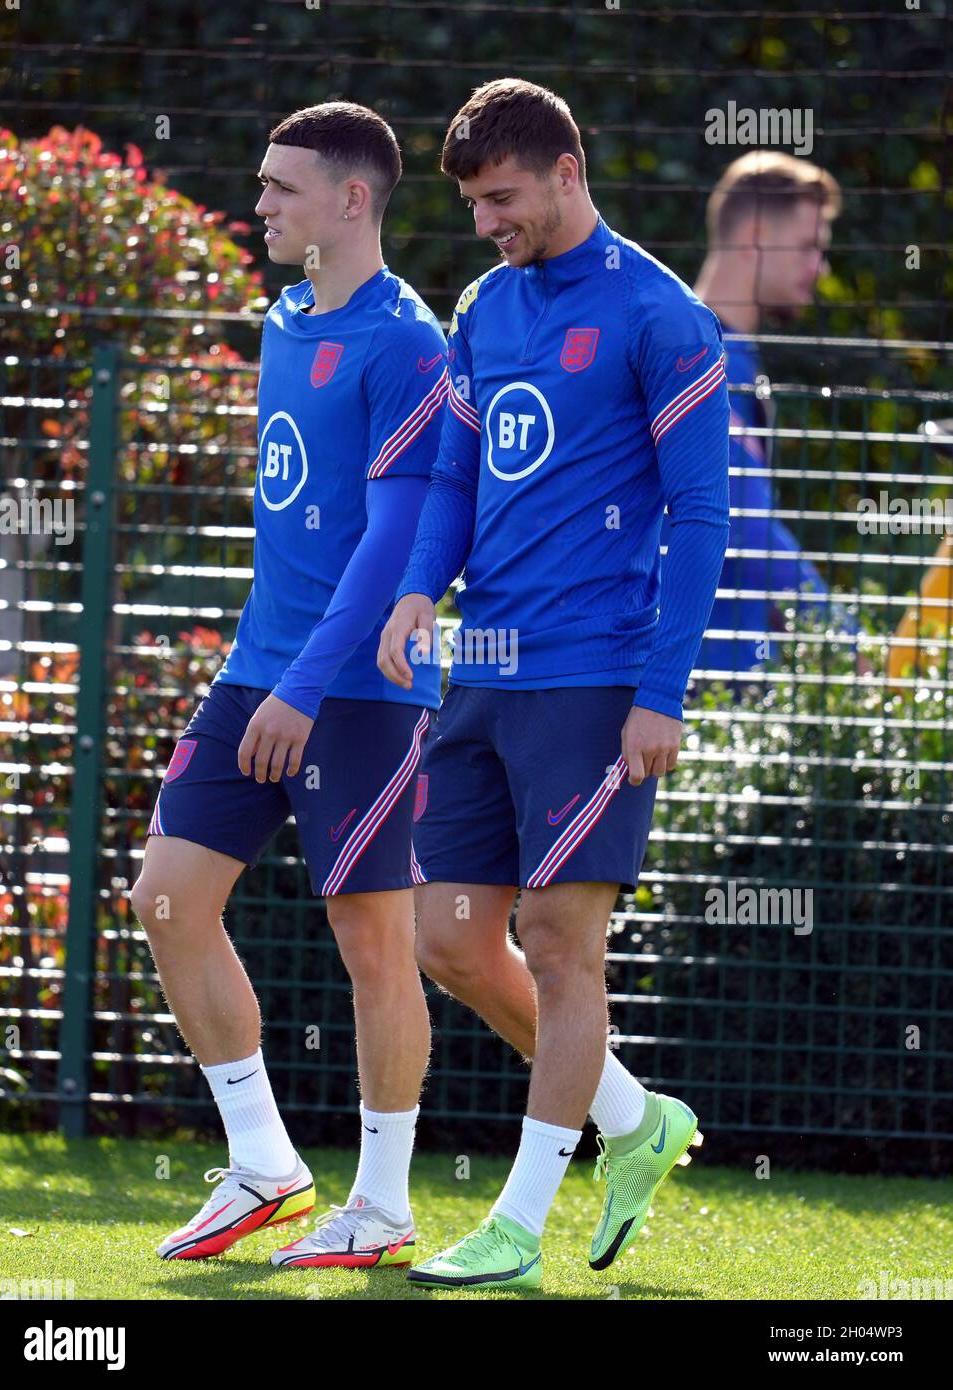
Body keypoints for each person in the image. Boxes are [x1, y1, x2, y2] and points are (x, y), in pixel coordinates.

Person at [377, 78, 729, 1290]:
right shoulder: (482, 307)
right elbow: (453, 483)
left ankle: (519, 1226)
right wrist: (422, 588)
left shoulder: (661, 317)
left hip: (595, 677)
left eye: (503, 197)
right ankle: (636, 1121)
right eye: (474, 202)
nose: (486, 221)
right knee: (451, 940)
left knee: (556, 936)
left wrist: (663, 689)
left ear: (567, 172)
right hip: (479, 664)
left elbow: (701, 513)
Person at [130, 102, 446, 1269]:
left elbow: (394, 541)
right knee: (165, 897)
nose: (258, 202)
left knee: (373, 946)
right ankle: (265, 1164)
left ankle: (384, 1203)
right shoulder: (280, 318)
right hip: (259, 671)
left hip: (360, 689)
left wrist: (307, 687)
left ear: (352, 200)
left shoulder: (410, 341)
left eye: (280, 187)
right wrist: (271, 675)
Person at [669, 151, 856, 678]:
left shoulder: (719, 352)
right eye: (809, 246)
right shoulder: (696, 359)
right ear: (754, 234)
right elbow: (746, 527)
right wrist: (852, 644)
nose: (819, 267)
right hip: (690, 693)